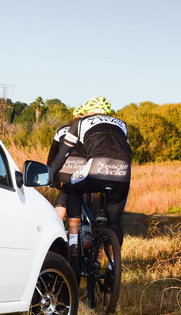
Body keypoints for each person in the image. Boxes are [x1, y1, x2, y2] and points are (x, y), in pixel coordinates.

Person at [48, 96, 131, 253]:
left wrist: (50, 174)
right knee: (114, 222)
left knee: (73, 186)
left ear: (85, 112)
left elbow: (61, 156)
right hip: (123, 171)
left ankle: (73, 242)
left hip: (97, 167)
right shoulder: (122, 125)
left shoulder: (80, 123)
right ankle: (113, 266)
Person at [46, 106, 88, 221]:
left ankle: (55, 226)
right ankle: (84, 225)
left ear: (74, 116)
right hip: (81, 172)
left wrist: (49, 174)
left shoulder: (61, 130)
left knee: (63, 196)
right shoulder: (88, 130)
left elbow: (52, 155)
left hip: (62, 171)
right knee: (85, 194)